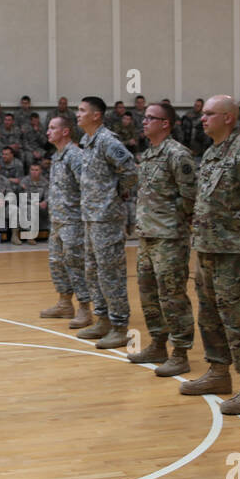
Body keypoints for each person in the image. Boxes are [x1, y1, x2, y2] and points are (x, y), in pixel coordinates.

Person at [180, 95, 240, 412]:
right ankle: (219, 372)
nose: (202, 118)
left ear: (229, 118)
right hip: (207, 249)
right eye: (203, 113)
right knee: (210, 316)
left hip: (237, 255)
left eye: (210, 113)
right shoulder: (210, 153)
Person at [128, 101, 196, 377]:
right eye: (144, 118)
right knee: (148, 294)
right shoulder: (149, 154)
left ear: (165, 124)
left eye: (150, 118)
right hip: (147, 236)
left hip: (169, 237)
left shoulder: (178, 155)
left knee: (172, 296)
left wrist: (172, 220)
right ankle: (157, 344)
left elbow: (190, 196)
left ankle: (180, 353)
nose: (144, 122)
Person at [74, 96, 138, 349]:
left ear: (96, 115)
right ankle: (103, 320)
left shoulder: (108, 141)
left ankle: (120, 326)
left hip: (107, 218)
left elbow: (131, 171)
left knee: (111, 273)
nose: (77, 114)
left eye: (81, 111)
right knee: (92, 271)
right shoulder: (87, 142)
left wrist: (118, 194)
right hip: (90, 217)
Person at [39, 114, 91, 328]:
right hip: (58, 221)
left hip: (73, 222)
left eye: (52, 128)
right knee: (57, 263)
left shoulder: (75, 156)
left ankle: (85, 309)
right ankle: (64, 303)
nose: (48, 132)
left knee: (75, 265)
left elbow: (86, 188)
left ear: (65, 131)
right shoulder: (57, 156)